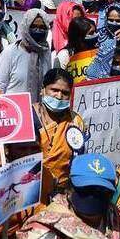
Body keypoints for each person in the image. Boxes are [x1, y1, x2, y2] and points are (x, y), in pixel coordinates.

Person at [33, 69, 85, 199]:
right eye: (54, 90)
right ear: (42, 90)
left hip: (63, 194)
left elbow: (79, 159)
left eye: (65, 93)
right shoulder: (28, 117)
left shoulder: (75, 121)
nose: (59, 96)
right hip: (32, 192)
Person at [0, 9, 52, 97]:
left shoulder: (45, 52)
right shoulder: (10, 52)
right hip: (14, 108)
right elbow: (0, 87)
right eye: (33, 26)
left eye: (42, 27)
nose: (38, 30)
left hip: (38, 108)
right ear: (26, 26)